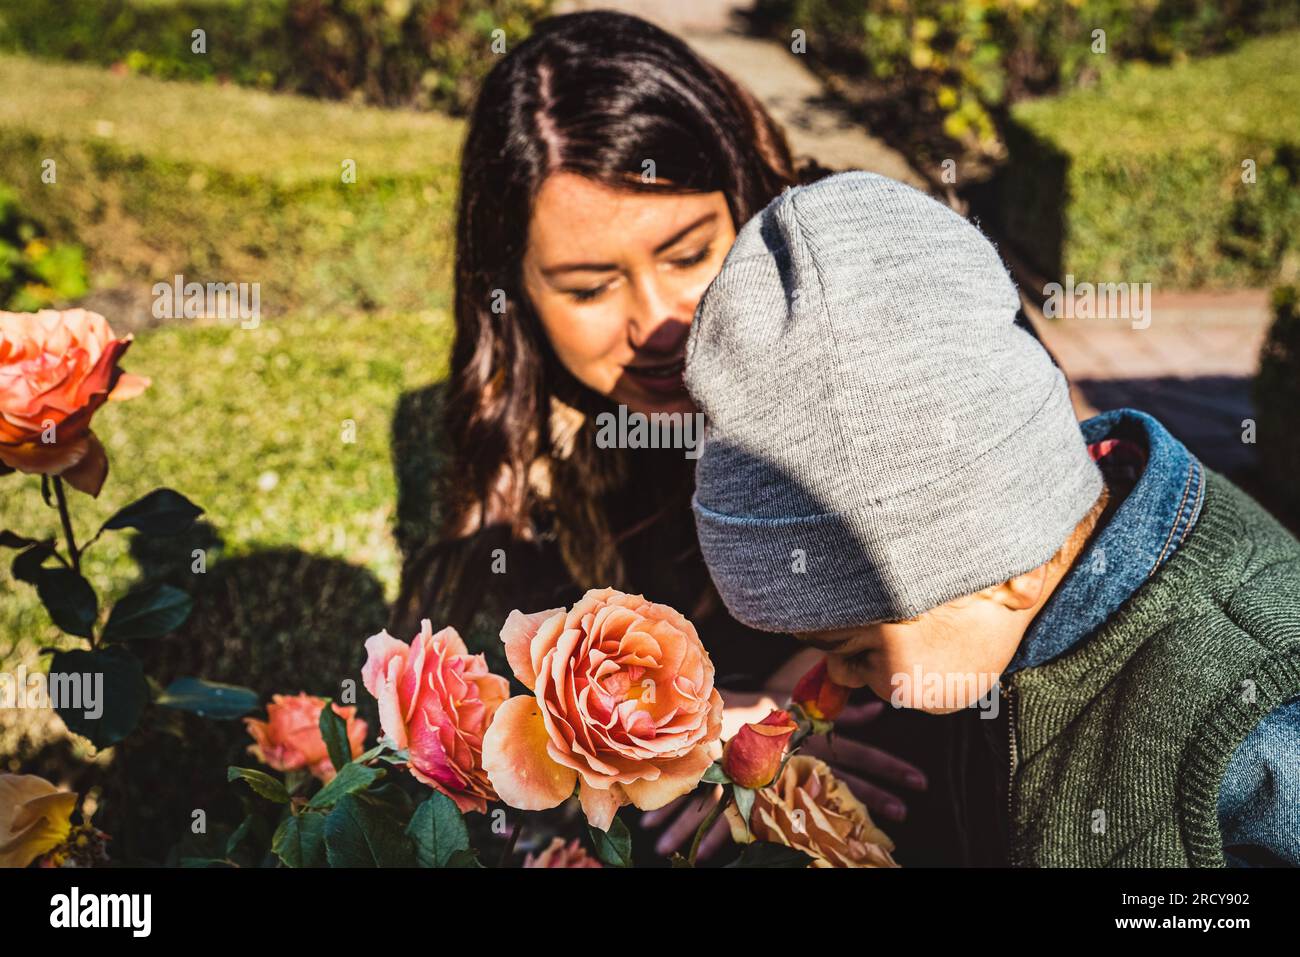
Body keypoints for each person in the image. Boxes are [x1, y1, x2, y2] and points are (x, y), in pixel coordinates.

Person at [390, 11, 926, 859]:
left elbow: (1021, 544)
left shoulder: (866, 281)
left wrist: (814, 685)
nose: (659, 324)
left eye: (688, 254)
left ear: (744, 199)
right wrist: (673, 751)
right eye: (589, 286)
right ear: (514, 290)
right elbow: (482, 733)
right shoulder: (487, 440)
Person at [685, 170, 1300, 866]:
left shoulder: (1251, 713)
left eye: (855, 649)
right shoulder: (1005, 607)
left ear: (1007, 565)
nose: (835, 680)